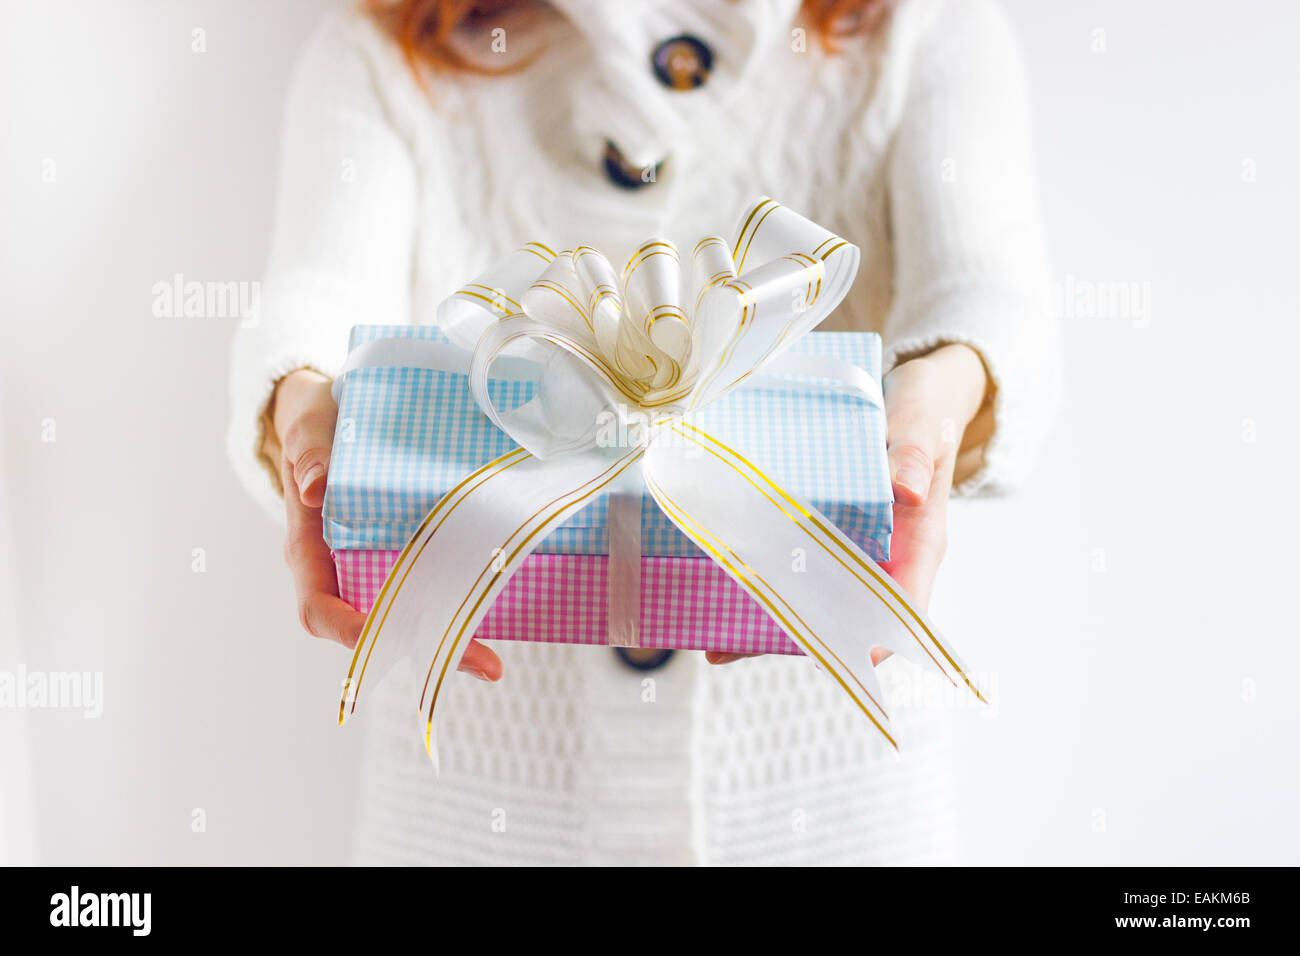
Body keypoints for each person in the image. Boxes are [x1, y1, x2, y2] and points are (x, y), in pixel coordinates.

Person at [228, 0, 1057, 864]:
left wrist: (940, 398)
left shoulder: (924, 26)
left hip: (829, 793)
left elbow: (990, 299)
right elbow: (318, 294)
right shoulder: (387, 43)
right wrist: (301, 397)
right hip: (476, 807)